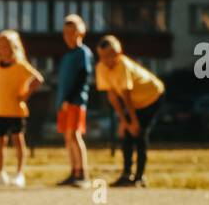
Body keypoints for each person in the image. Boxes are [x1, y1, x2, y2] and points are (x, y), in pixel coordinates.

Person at [96, 35, 166, 188]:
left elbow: (126, 96)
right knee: (126, 134)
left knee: (139, 132)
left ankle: (140, 177)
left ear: (118, 54)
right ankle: (127, 174)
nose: (106, 60)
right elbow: (112, 96)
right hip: (135, 103)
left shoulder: (123, 65)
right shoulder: (101, 68)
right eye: (102, 56)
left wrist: (132, 121)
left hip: (152, 97)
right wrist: (123, 121)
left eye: (110, 56)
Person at [0, 30, 43, 188]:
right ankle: (1, 173)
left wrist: (25, 95)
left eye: (6, 46)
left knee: (18, 140)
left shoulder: (20, 66)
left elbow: (37, 79)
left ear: (14, 47)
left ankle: (19, 174)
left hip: (16, 110)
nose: (2, 49)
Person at [54, 14, 94, 188]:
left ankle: (83, 173)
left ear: (80, 33)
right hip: (63, 103)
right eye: (66, 33)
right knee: (67, 137)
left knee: (74, 135)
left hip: (75, 102)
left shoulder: (83, 53)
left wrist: (70, 99)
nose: (69, 36)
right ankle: (74, 171)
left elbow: (83, 77)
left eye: (73, 32)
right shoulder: (66, 57)